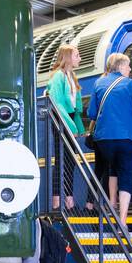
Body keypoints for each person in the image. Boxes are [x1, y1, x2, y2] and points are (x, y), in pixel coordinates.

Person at [85, 51, 132, 227]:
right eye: (128, 65)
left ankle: (111, 204)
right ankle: (122, 219)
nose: (130, 69)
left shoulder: (99, 83)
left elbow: (91, 113)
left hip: (104, 139)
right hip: (126, 137)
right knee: (126, 175)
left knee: (112, 168)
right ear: (121, 66)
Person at [45, 43, 84, 212]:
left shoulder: (72, 76)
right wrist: (72, 127)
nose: (79, 58)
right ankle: (56, 203)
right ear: (68, 57)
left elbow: (76, 107)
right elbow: (57, 102)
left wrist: (78, 127)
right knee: (61, 162)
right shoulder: (58, 77)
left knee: (70, 163)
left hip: (69, 123)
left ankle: (69, 201)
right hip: (61, 124)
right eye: (76, 55)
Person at [84, 61, 116, 212]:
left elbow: (92, 114)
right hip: (107, 135)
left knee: (99, 169)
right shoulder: (112, 85)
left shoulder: (99, 84)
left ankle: (90, 202)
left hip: (98, 135)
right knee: (109, 170)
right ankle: (106, 203)